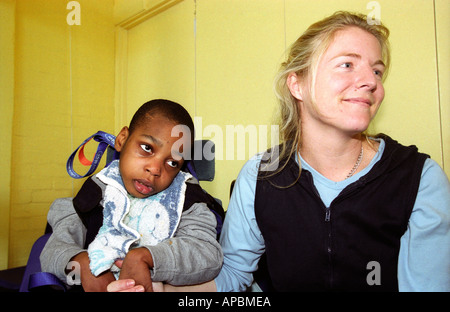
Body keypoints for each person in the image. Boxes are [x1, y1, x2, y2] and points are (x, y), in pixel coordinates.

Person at [109, 11, 449, 292]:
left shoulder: (418, 177)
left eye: (377, 70)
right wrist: (155, 290)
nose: (371, 81)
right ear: (297, 83)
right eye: (347, 64)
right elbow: (232, 281)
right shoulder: (259, 178)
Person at [40, 99, 225, 292]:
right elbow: (52, 253)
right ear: (122, 139)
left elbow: (208, 255)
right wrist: (84, 266)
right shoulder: (94, 193)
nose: (154, 169)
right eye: (147, 148)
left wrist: (147, 258)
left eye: (172, 163)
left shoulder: (187, 199)